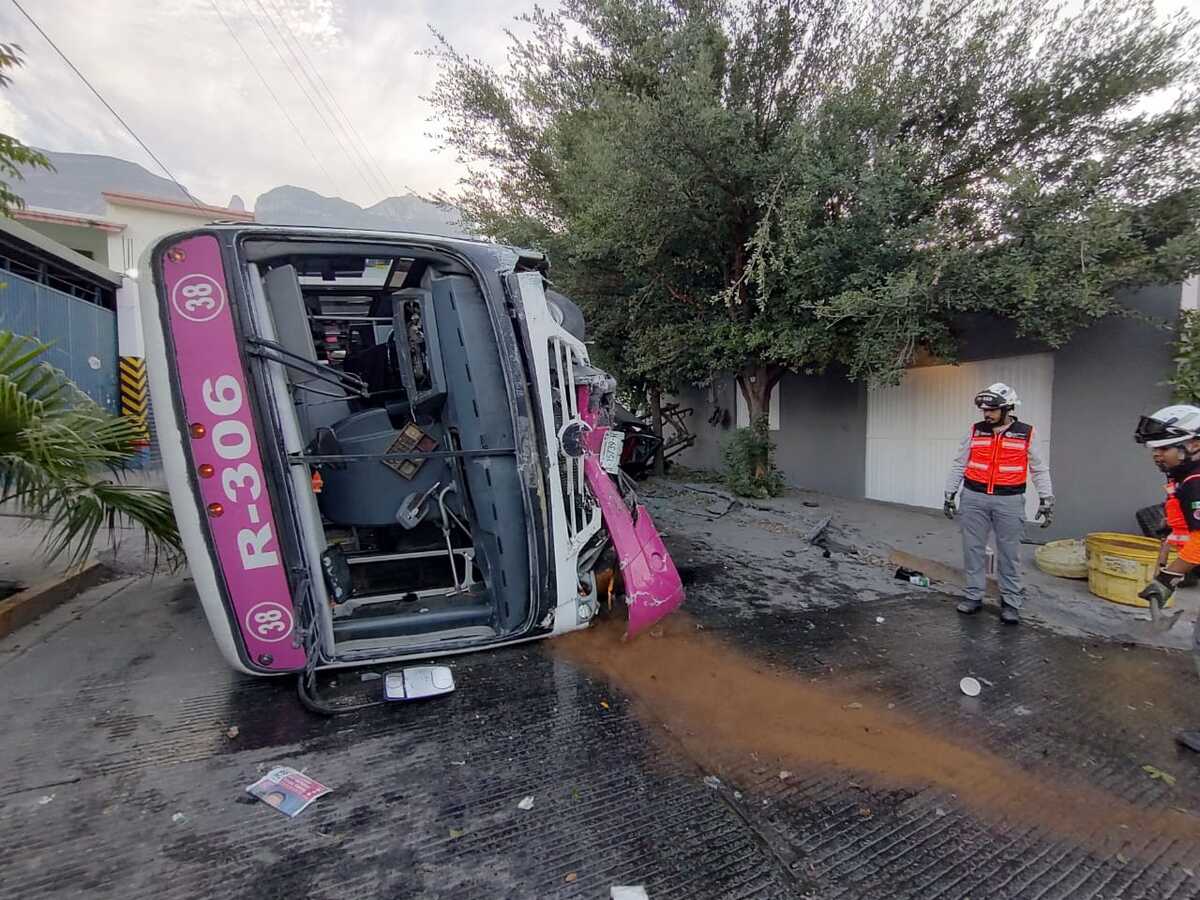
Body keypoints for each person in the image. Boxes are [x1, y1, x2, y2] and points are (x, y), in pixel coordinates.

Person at [943, 383, 1054, 624]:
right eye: (984, 410)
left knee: (1009, 553)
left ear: (1007, 409)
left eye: (992, 410)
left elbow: (1039, 469)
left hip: (1009, 501)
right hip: (973, 498)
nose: (987, 414)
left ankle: (1011, 602)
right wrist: (949, 492)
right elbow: (959, 463)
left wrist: (1047, 499)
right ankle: (973, 596)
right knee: (973, 549)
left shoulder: (1026, 433)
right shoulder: (975, 430)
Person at [1133, 405, 1200, 751]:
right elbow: (1183, 532)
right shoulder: (1183, 479)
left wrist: (1167, 578)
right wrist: (1166, 561)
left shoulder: (1195, 482)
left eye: (1164, 448)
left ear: (1194, 445)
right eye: (1154, 449)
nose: (1156, 456)